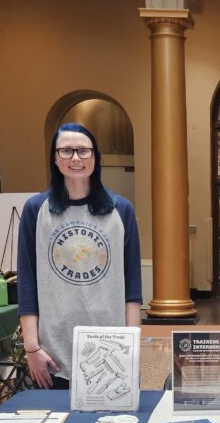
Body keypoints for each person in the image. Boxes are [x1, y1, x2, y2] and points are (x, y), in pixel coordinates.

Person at [17, 123, 142, 388]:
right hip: (53, 351)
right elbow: (27, 282)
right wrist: (31, 348)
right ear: (54, 157)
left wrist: (132, 345)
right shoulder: (35, 209)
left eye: (83, 151)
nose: (75, 158)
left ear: (95, 158)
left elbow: (132, 285)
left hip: (111, 348)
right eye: (66, 151)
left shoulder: (121, 210)